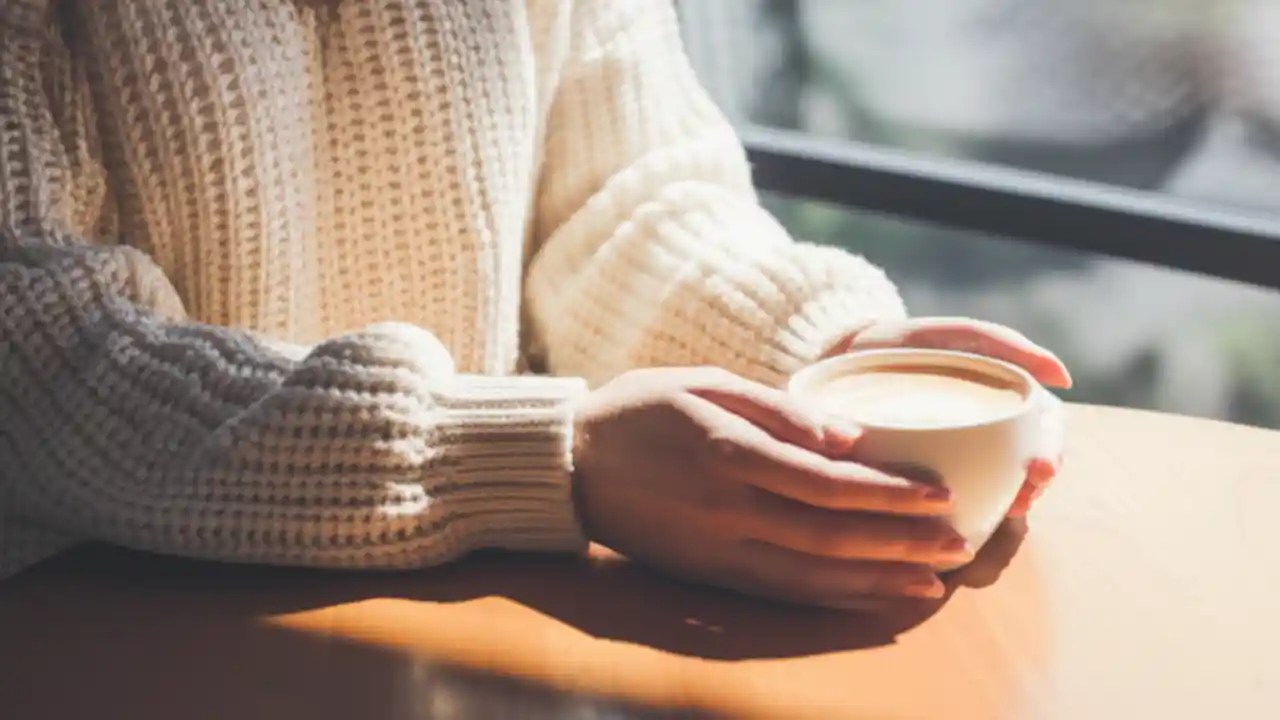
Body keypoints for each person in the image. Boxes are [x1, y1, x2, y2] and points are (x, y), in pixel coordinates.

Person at [0, 0, 1068, 608]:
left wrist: (824, 353)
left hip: (461, 625)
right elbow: (45, 361)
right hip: (95, 641)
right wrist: (542, 462)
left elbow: (617, 195)